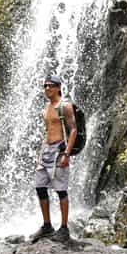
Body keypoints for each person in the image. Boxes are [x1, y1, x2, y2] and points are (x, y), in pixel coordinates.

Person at [30, 74, 77, 243]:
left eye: (50, 86)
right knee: (40, 187)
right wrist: (40, 155)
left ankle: (64, 228)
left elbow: (73, 130)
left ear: (58, 87)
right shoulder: (46, 108)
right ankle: (47, 225)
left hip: (60, 149)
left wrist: (66, 153)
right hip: (47, 151)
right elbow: (47, 132)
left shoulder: (65, 106)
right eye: (45, 86)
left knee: (60, 189)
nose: (47, 89)